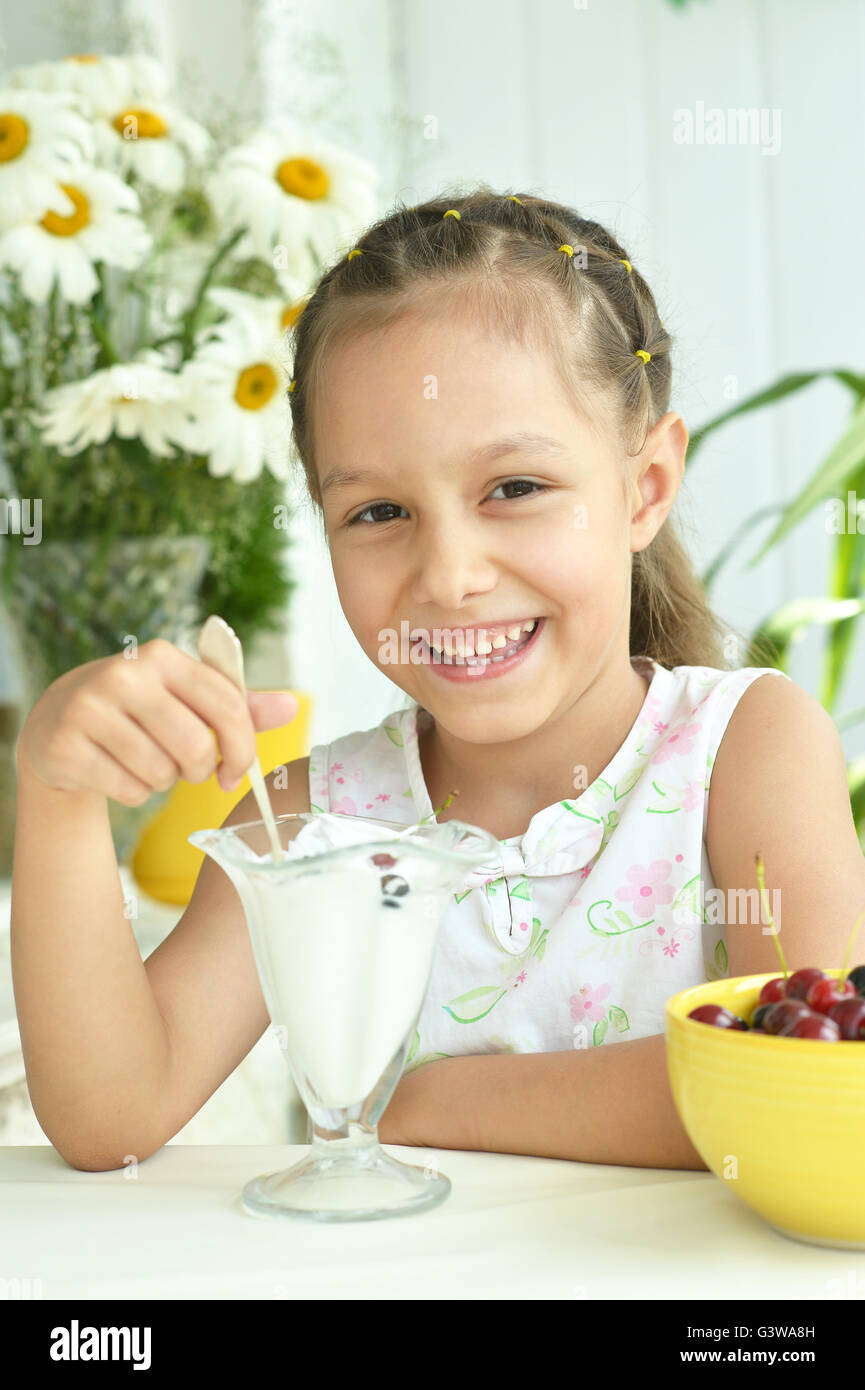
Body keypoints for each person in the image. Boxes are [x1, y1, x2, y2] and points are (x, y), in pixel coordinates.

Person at [13, 188, 865, 1175]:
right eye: (378, 510)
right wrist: (59, 792)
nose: (450, 576)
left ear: (644, 487)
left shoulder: (742, 749)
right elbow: (107, 1114)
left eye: (513, 489)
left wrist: (438, 1101)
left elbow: (809, 1090)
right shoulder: (305, 824)